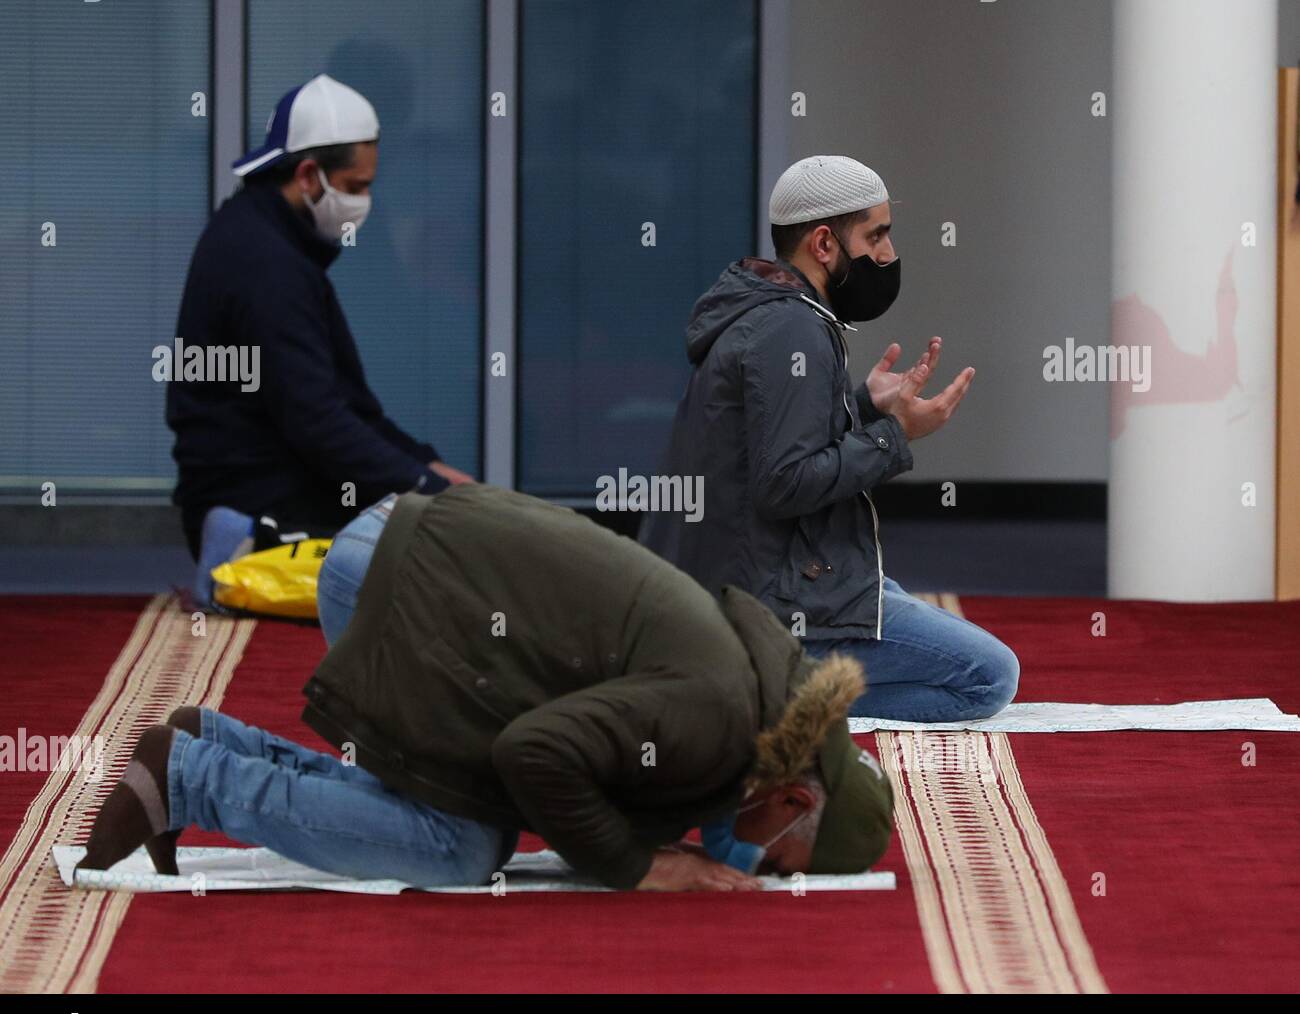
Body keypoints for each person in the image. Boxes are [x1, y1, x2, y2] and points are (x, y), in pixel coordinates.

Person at [76, 484, 894, 892]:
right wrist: (640, 866)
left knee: (458, 811)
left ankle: (212, 745)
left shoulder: (749, 697)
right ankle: (191, 779)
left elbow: (690, 799)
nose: (762, 869)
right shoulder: (717, 713)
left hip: (411, 554)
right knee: (462, 845)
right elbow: (534, 753)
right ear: (791, 800)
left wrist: (676, 850)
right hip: (406, 585)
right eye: (784, 863)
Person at [639, 155, 1019, 723]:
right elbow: (784, 484)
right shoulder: (790, 328)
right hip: (765, 606)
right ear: (823, 243)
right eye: (877, 235)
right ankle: (761, 694)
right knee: (988, 677)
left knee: (910, 613)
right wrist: (896, 435)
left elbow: (769, 448)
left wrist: (864, 405)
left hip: (757, 583)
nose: (888, 255)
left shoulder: (772, 315)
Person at [166, 74, 473, 605]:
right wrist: (428, 492)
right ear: (309, 175)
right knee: (439, 570)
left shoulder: (266, 239)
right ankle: (250, 542)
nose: (364, 202)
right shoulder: (268, 265)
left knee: (446, 525)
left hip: (260, 472)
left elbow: (344, 407)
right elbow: (318, 424)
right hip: (256, 489)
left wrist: (428, 470)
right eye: (356, 187)